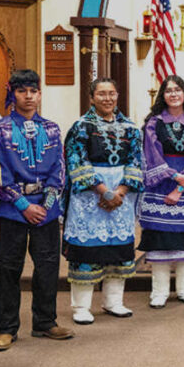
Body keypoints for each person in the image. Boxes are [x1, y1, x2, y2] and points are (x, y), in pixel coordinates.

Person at [0, 70, 74, 351]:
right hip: (13, 208)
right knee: (8, 268)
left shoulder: (52, 129)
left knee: (48, 266)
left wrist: (45, 205)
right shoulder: (0, 130)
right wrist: (24, 205)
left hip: (46, 209)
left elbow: (59, 169)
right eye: (22, 91)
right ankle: (6, 328)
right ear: (12, 93)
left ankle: (45, 321)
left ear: (39, 94)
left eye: (33, 91)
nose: (28, 96)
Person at [63, 78, 144, 324]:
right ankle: (81, 307)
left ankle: (113, 302)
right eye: (101, 94)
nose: (107, 98)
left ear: (117, 96)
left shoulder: (130, 128)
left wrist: (120, 191)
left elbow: (136, 161)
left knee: (118, 249)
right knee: (88, 251)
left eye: (111, 93)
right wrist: (104, 192)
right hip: (90, 197)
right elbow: (77, 162)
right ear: (92, 98)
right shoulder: (81, 127)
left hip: (122, 197)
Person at [138, 75, 184, 308]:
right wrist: (173, 176)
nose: (173, 94)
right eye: (168, 90)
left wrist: (181, 186)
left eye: (177, 90)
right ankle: (159, 292)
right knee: (160, 239)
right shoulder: (153, 122)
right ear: (163, 95)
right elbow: (151, 155)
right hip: (160, 184)